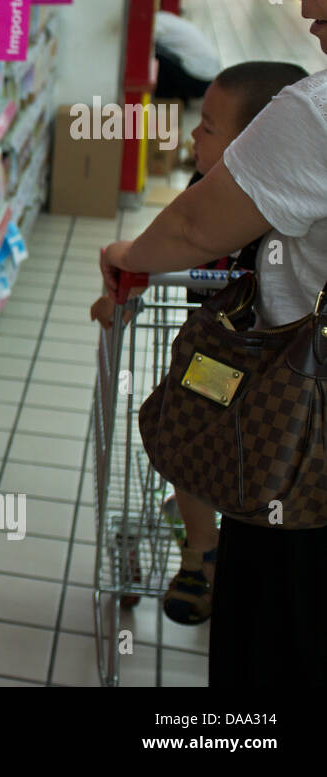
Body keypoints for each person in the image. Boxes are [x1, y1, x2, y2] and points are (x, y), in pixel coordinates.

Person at [99, 0, 327, 685]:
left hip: (302, 447)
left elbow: (195, 226)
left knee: (270, 649)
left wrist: (126, 258)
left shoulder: (314, 115)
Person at [91, 62, 308, 625]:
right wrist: (118, 293)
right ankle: (199, 550)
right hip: (213, 367)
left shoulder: (279, 208)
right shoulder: (206, 192)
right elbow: (162, 248)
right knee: (192, 440)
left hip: (278, 376)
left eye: (208, 126)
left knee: (246, 458)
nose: (192, 133)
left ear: (255, 144)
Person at [153, 10, 221, 105]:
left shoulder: (156, 22)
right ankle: (179, 95)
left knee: (154, 55)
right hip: (209, 79)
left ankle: (164, 99)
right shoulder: (165, 18)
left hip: (197, 80)